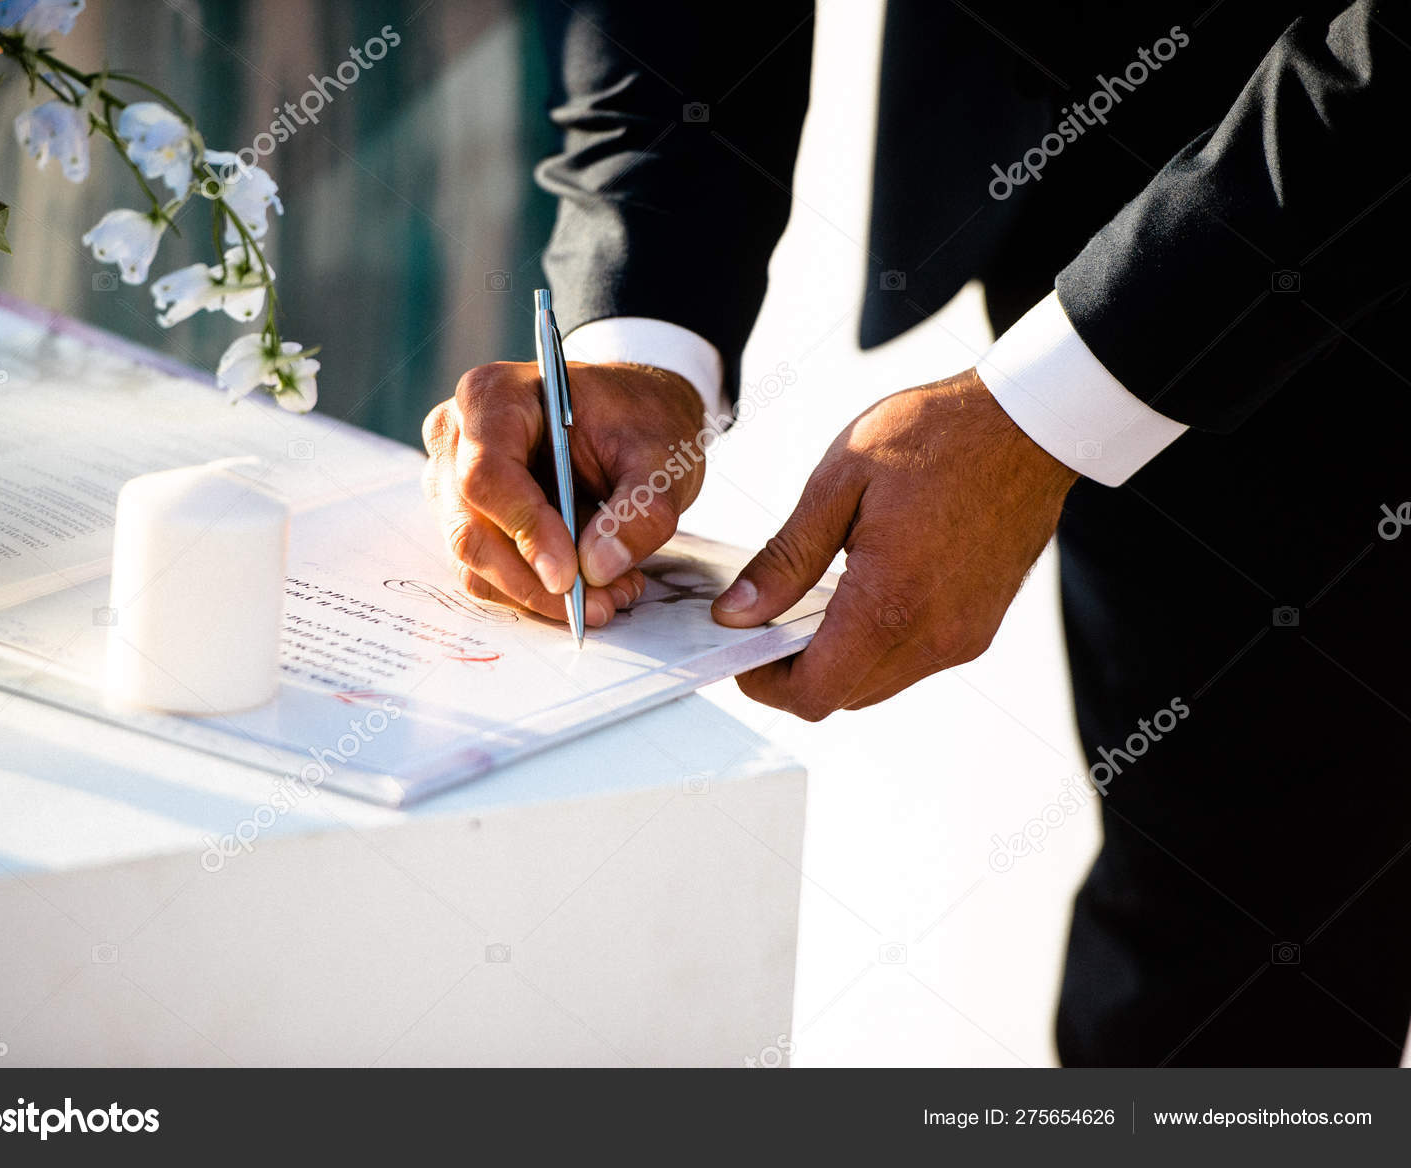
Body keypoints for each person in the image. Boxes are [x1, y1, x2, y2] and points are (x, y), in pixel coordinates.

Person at [420, 1, 1411, 1065]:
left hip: (1320, 212)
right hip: (1112, 223)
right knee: (1230, 911)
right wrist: (639, 336)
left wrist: (1053, 403)